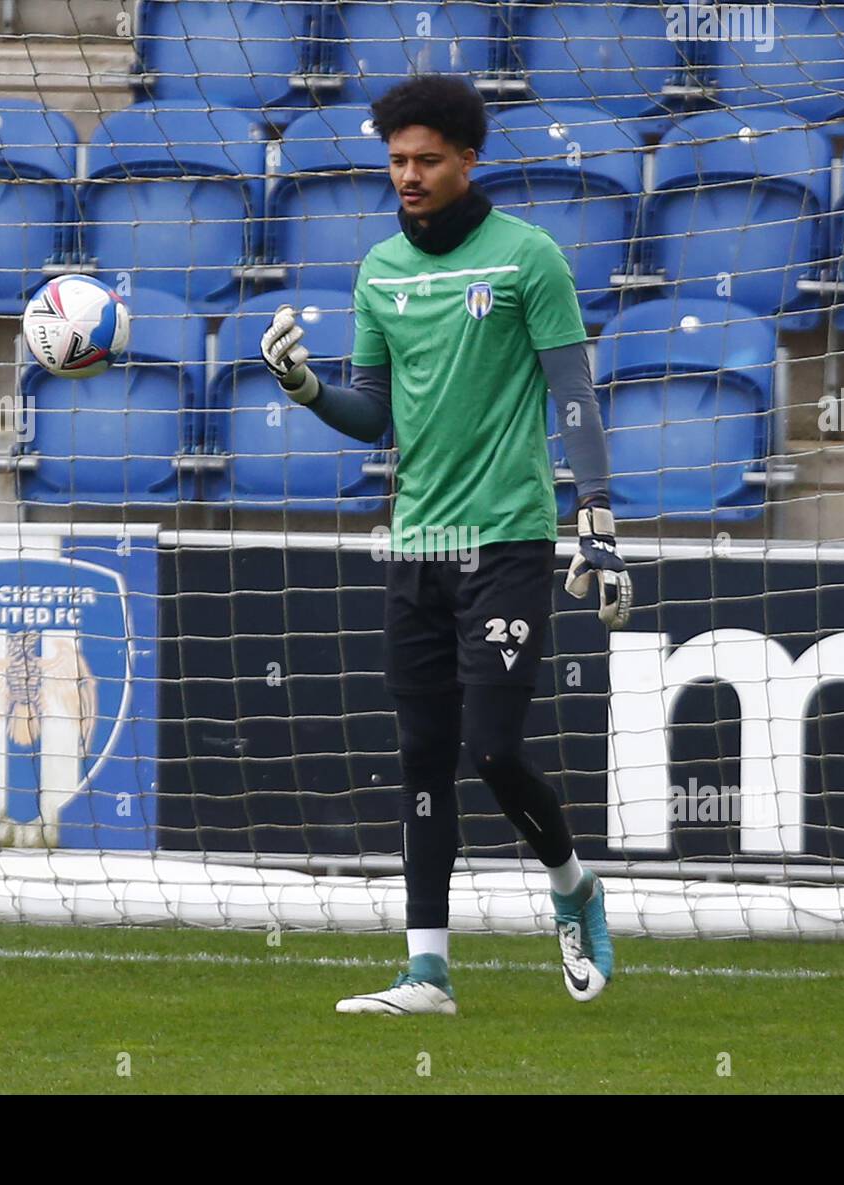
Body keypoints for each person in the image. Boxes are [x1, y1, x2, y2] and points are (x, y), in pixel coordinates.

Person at [260, 75, 631, 1015]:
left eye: (426, 159)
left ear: (470, 158)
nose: (409, 176)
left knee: (493, 749)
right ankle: (427, 972)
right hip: (416, 545)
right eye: (396, 161)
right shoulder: (379, 269)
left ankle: (572, 885)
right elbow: (372, 414)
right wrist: (304, 385)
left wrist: (595, 508)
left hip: (505, 539)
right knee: (423, 755)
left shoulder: (526, 258)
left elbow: (573, 391)